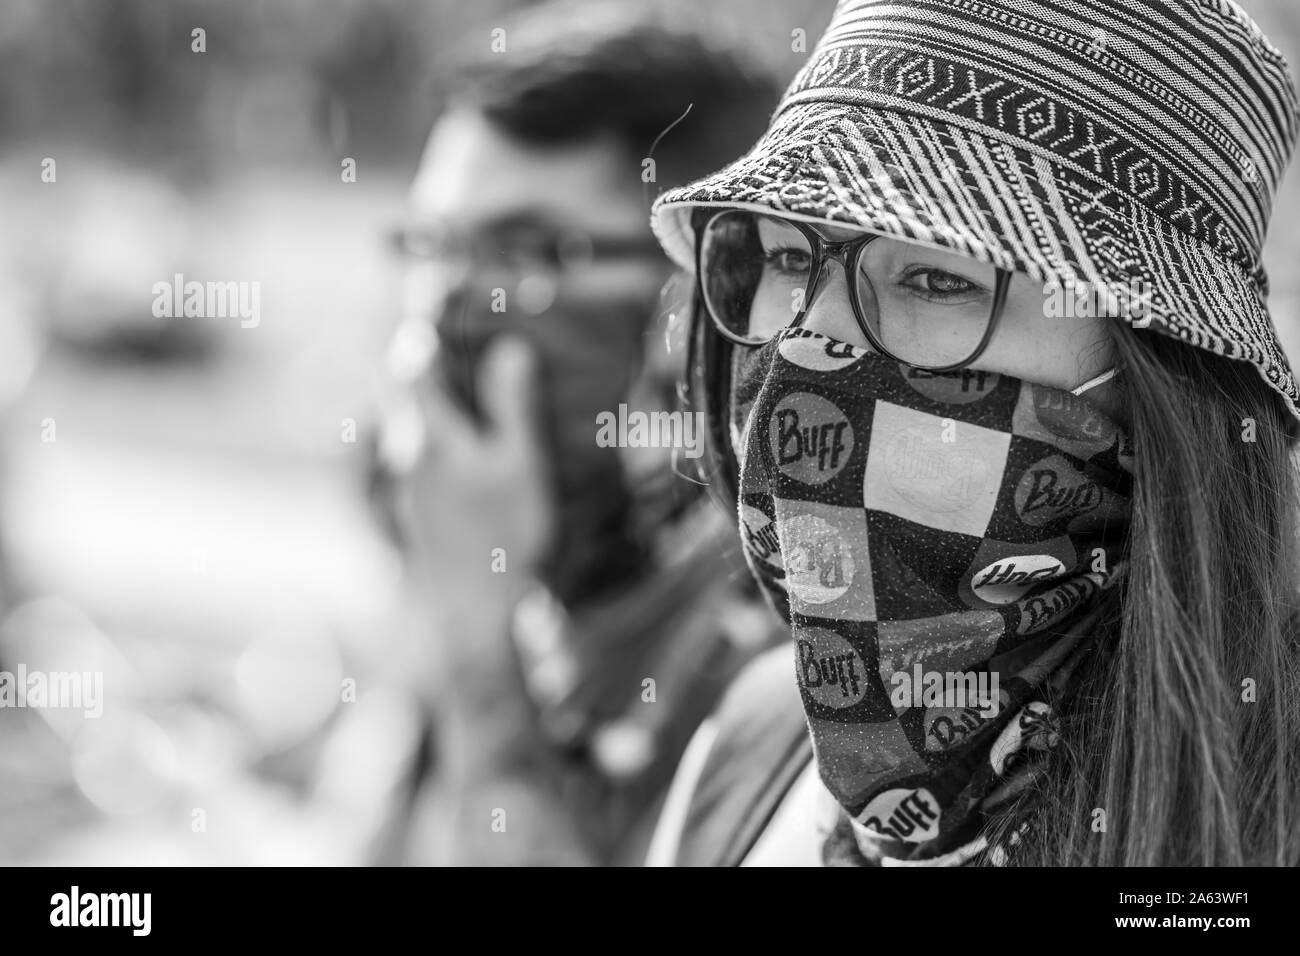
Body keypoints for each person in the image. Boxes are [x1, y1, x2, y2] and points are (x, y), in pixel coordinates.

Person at [646, 0, 1300, 866]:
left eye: (932, 278)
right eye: (792, 260)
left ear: (1159, 373)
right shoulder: (745, 757)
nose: (809, 348)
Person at [371, 0, 784, 865]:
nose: (453, 308)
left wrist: (475, 649)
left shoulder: (791, 662)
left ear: (709, 287)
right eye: (434, 247)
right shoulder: (508, 567)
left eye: (528, 254)